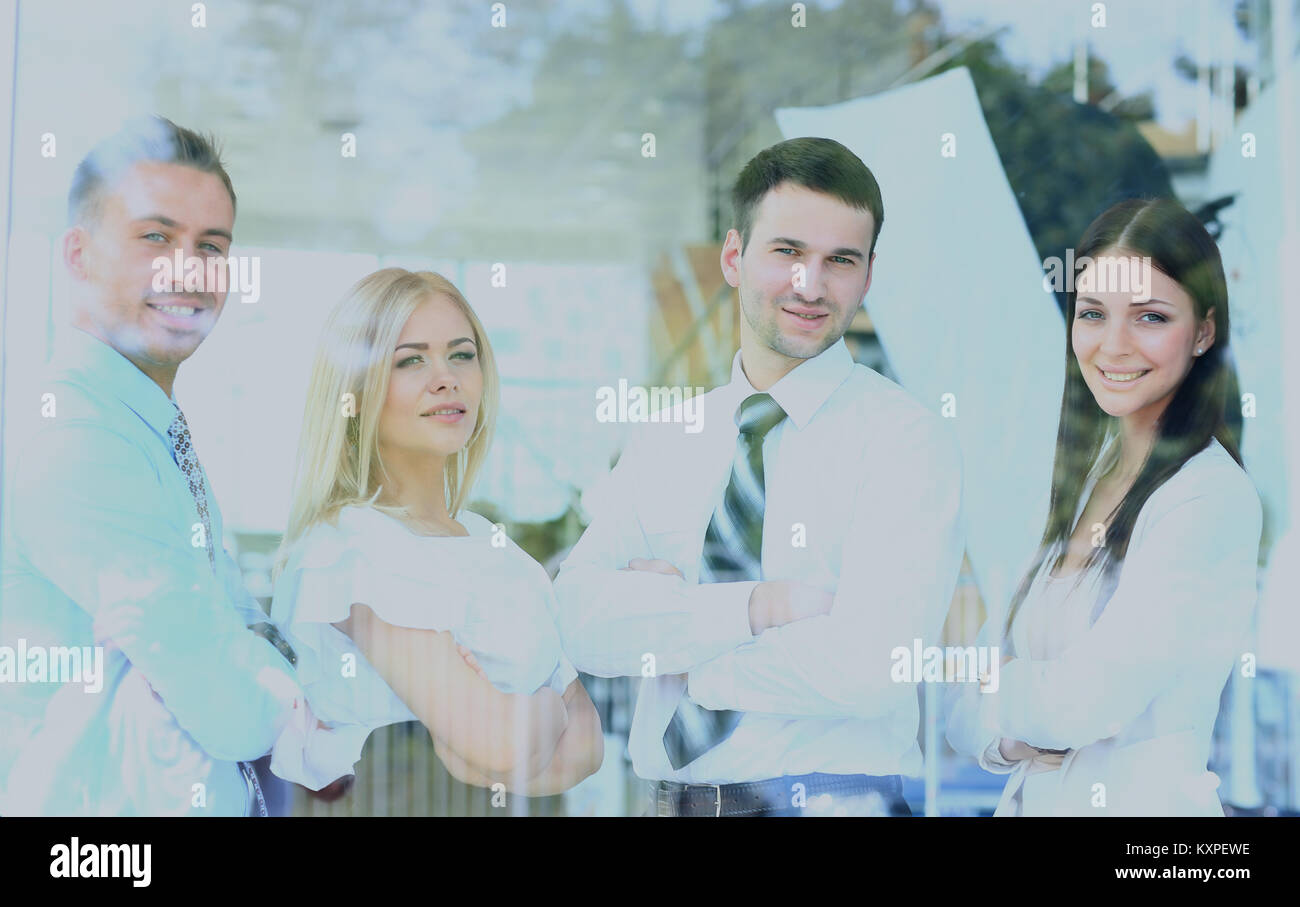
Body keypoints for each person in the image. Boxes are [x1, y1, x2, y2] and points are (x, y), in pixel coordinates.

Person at [553, 137, 964, 817]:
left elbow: (870, 668)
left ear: (866, 278)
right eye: (788, 252)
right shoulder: (666, 437)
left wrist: (678, 652)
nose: (812, 283)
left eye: (840, 261)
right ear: (734, 257)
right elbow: (579, 621)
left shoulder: (906, 441)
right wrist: (754, 609)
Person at [0, 116, 319, 816]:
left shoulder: (143, 423)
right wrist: (291, 699)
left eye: (211, 245)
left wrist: (242, 655)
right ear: (79, 256)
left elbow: (229, 632)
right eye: (156, 237)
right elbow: (226, 698)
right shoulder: (77, 439)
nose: (190, 269)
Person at [946, 198, 1262, 816]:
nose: (1113, 346)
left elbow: (1085, 704)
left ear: (1204, 330)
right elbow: (959, 714)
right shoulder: (1076, 480)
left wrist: (1007, 692)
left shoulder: (1209, 499)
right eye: (1093, 314)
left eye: (1149, 317)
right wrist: (1015, 733)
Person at [269, 268, 603, 802]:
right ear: (355, 395)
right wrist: (544, 711)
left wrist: (505, 734)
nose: (446, 377)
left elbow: (587, 750)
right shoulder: (351, 548)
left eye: (462, 354)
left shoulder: (494, 548)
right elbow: (499, 744)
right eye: (410, 359)